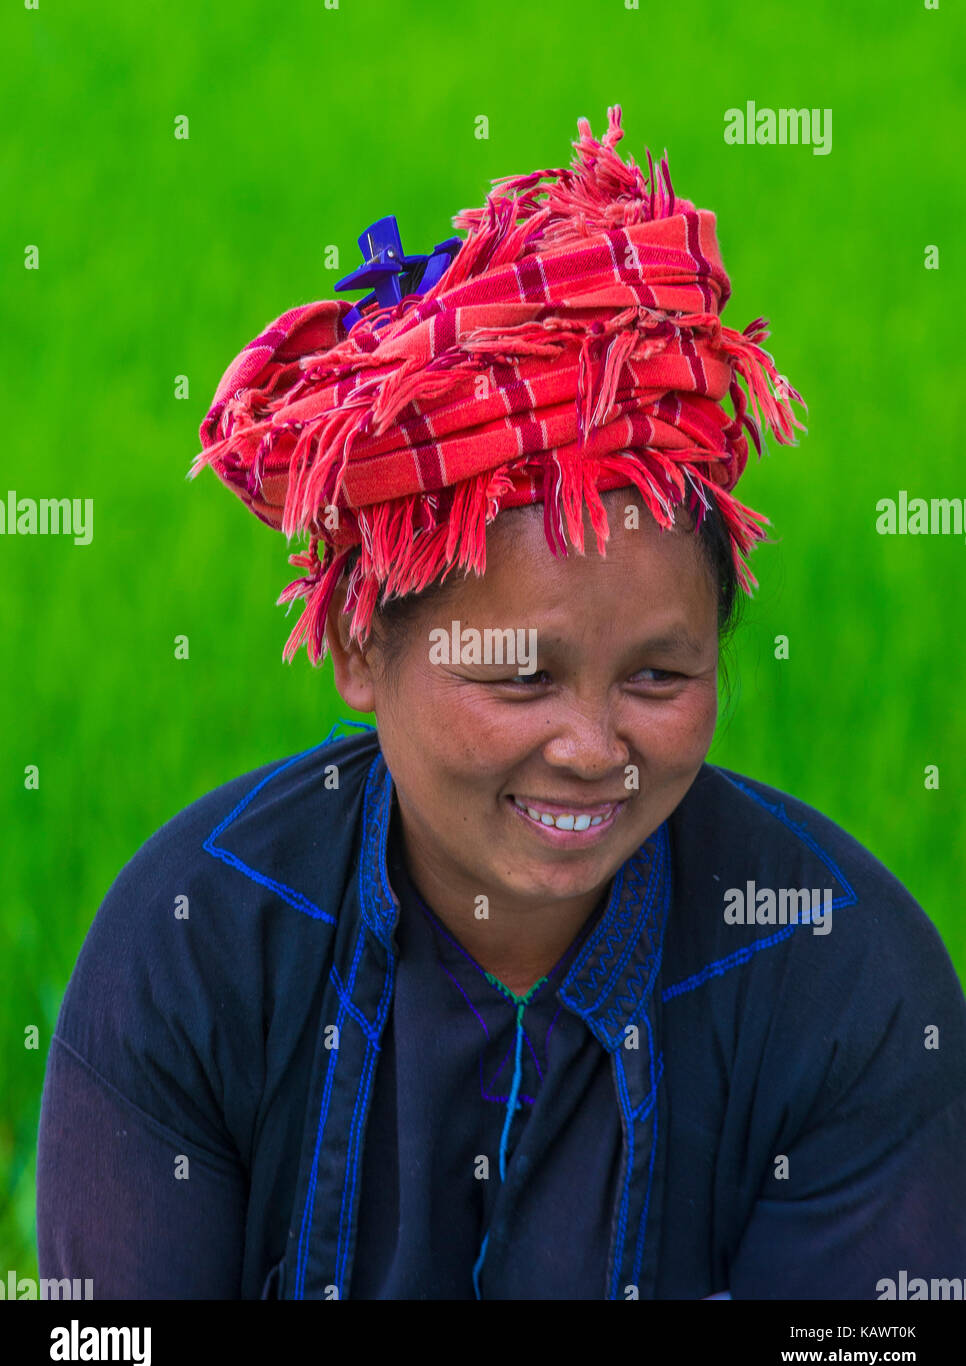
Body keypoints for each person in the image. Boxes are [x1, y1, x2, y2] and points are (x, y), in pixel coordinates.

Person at [36, 106, 966, 1301]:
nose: (592, 747)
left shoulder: (842, 980)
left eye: (658, 677)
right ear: (363, 650)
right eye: (519, 674)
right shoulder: (194, 949)